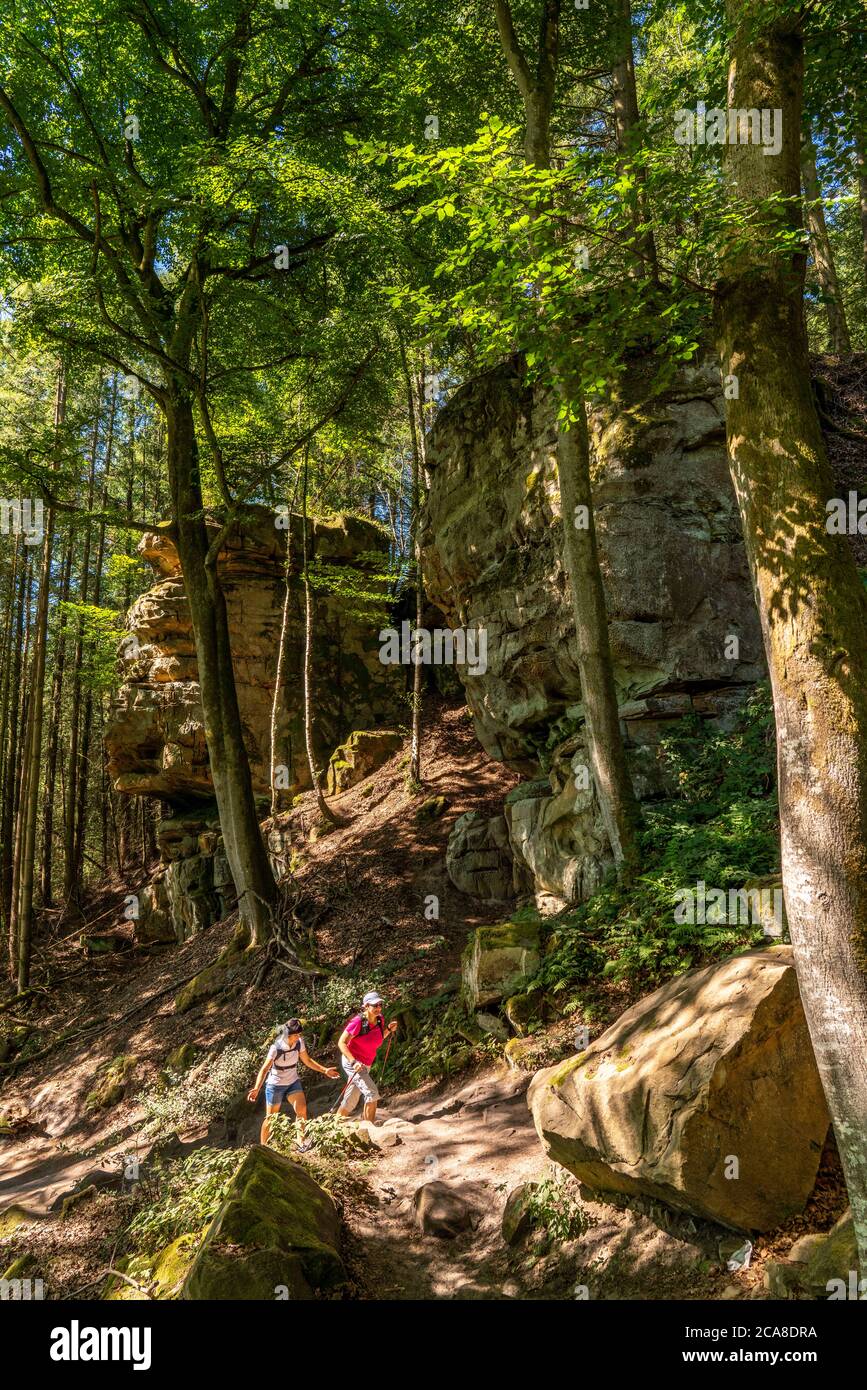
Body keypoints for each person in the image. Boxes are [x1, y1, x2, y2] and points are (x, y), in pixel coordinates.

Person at [248, 1018, 339, 1151]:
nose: (299, 1037)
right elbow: (264, 1069)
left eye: (299, 1034)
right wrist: (257, 1088)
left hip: (292, 1081)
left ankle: (301, 1141)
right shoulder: (276, 1047)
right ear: (287, 1035)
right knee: (271, 1118)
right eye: (296, 1035)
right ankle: (263, 1149)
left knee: (301, 1109)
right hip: (275, 1084)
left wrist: (325, 1070)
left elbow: (307, 1061)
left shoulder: (299, 1043)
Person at [336, 991, 398, 1126]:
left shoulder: (380, 1019)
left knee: (351, 1100)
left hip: (366, 1063)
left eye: (380, 1004)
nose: (378, 1008)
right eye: (375, 1005)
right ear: (365, 1006)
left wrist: (388, 1029)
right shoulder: (357, 1022)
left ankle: (334, 1127)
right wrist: (353, 1062)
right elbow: (341, 1043)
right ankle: (369, 1130)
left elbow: (378, 1039)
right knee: (372, 1093)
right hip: (353, 1062)